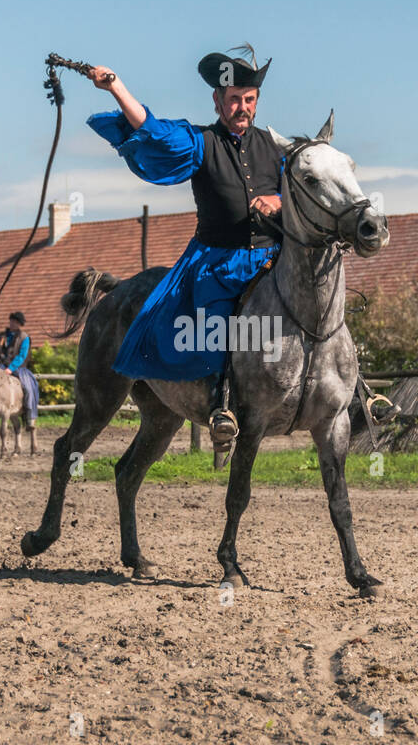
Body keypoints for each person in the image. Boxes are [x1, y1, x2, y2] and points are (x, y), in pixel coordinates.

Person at [86, 44, 282, 445]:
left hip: (272, 258)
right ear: (217, 101)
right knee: (218, 322)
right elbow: (153, 131)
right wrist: (116, 88)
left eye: (248, 100)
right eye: (233, 100)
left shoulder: (276, 148)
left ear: (257, 102)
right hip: (217, 263)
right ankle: (221, 402)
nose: (241, 107)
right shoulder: (198, 142)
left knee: (317, 293)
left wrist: (279, 200)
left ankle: (353, 393)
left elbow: (302, 189)